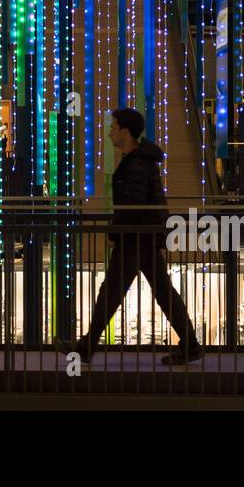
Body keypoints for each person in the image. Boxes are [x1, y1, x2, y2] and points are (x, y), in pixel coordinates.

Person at [62, 108, 203, 366]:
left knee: (113, 292)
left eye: (113, 127)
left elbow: (133, 204)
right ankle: (190, 344)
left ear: (125, 132)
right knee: (157, 292)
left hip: (135, 237)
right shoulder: (140, 160)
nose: (109, 131)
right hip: (144, 236)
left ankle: (87, 346)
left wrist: (117, 229)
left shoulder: (136, 163)